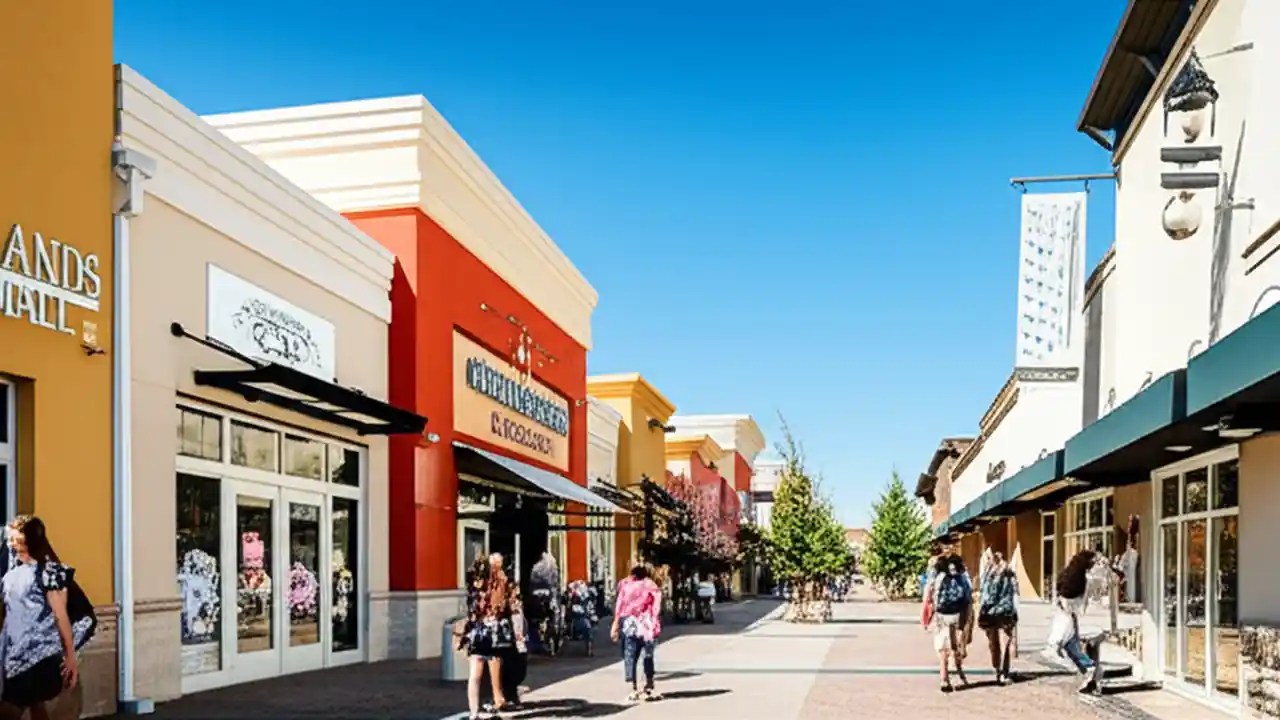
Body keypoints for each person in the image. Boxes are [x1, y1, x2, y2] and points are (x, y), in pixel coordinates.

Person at [2, 516, 93, 720]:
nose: (9, 542)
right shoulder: (11, 575)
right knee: (35, 704)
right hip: (16, 653)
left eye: (13, 538)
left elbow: (61, 616)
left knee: (11, 708)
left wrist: (70, 658)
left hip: (38, 655)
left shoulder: (47, 573)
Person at [459, 553, 513, 719]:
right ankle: (496, 700)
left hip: (478, 632)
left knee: (475, 675)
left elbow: (472, 610)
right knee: (494, 669)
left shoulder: (475, 587)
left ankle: (474, 711)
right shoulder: (500, 584)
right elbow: (503, 607)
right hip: (493, 633)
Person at [1053, 549, 1106, 693]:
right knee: (1070, 644)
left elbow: (1063, 595)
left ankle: (1089, 669)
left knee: (1069, 644)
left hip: (1067, 614)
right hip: (1072, 615)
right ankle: (1090, 669)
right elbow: (1083, 602)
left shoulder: (1068, 574)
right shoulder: (1084, 579)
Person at [610, 563, 662, 702]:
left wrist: (615, 624)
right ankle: (648, 685)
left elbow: (619, 606)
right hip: (646, 622)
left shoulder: (624, 585)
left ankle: (632, 688)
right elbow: (656, 604)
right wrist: (655, 620)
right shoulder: (650, 584)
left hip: (629, 623)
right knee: (648, 654)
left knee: (629, 654)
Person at [923, 553, 972, 692]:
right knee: (955, 642)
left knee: (942, 647)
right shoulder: (961, 576)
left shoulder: (938, 577)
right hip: (957, 614)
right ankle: (957, 659)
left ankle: (944, 679)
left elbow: (930, 596)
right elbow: (968, 595)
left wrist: (928, 615)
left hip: (941, 615)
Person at [977, 550, 1019, 685]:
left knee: (994, 642)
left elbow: (987, 595)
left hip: (990, 612)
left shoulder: (989, 574)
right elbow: (1016, 591)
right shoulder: (1010, 572)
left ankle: (998, 669)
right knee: (1005, 642)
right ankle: (1003, 672)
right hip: (1006, 611)